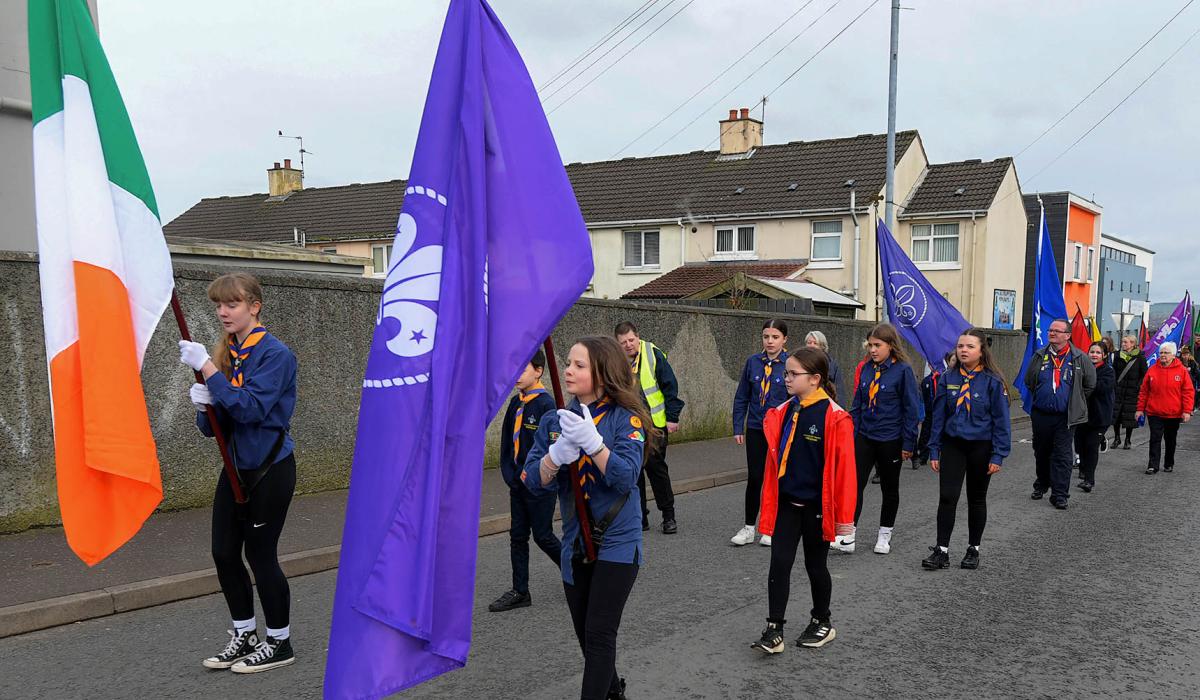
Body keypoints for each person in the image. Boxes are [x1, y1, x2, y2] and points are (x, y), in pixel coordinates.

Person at [522, 336, 653, 700]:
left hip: (617, 540)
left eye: (579, 365)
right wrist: (555, 456)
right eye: (568, 362)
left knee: (598, 634)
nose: (567, 370)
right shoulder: (554, 420)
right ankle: (614, 692)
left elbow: (626, 476)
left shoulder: (625, 418)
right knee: (586, 636)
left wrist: (594, 445)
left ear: (602, 372)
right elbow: (532, 481)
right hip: (575, 542)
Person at [181, 273, 299, 673]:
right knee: (224, 552)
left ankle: (279, 642)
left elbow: (250, 410)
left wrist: (210, 375)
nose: (222, 312)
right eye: (218, 305)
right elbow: (216, 429)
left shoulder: (276, 354)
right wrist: (204, 409)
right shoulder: (228, 353)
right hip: (234, 468)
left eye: (231, 304)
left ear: (254, 306)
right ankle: (244, 633)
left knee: (260, 556)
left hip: (270, 468)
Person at [750, 348, 856, 654]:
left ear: (815, 379)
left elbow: (846, 473)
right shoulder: (783, 411)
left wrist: (844, 520)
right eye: (786, 373)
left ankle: (822, 620)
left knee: (815, 565)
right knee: (779, 564)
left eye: (793, 374)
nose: (787, 379)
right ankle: (774, 629)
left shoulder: (836, 418)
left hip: (816, 509)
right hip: (787, 504)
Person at [921, 330, 1010, 570]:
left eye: (970, 346)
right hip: (953, 445)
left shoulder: (993, 381)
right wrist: (934, 450)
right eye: (960, 346)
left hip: (981, 447)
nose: (963, 350)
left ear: (981, 351)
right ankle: (942, 551)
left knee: (976, 498)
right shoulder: (948, 378)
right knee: (947, 497)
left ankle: (973, 549)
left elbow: (1001, 421)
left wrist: (998, 454)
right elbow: (938, 416)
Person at [489, 350, 562, 613]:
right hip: (517, 485)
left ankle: (577, 576)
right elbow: (508, 444)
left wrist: (534, 476)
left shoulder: (547, 406)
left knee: (543, 535)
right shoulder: (515, 404)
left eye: (523, 368)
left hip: (540, 485)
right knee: (517, 536)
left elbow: (552, 449)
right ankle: (521, 591)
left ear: (538, 371)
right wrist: (511, 475)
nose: (516, 374)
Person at [844, 323, 920, 555]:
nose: (873, 350)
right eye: (870, 345)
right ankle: (848, 534)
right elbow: (858, 404)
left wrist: (909, 443)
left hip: (890, 438)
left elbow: (911, 410)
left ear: (891, 345)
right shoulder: (866, 368)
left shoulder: (903, 371)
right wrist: (850, 433)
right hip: (865, 436)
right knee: (854, 486)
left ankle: (884, 534)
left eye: (878, 345)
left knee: (889, 488)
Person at [614, 321, 684, 534]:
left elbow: (670, 386)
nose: (628, 345)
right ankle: (640, 516)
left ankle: (668, 515)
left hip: (655, 424)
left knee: (656, 470)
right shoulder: (616, 361)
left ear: (638, 336)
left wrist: (672, 417)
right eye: (623, 342)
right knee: (634, 472)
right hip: (630, 424)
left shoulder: (653, 354)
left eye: (631, 340)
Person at [1025, 318, 1096, 509]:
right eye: (1050, 330)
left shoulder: (1079, 358)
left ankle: (1060, 494)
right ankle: (1042, 483)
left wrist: (1072, 401)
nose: (1052, 333)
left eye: (1057, 331)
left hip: (1066, 416)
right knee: (1042, 451)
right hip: (1041, 414)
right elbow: (1030, 381)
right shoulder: (1040, 356)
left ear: (1067, 335)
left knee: (1062, 455)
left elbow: (1089, 385)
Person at [731, 320, 791, 547]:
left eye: (775, 337)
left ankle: (772, 526)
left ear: (784, 339)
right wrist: (738, 426)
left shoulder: (790, 364)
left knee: (777, 478)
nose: (770, 341)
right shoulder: (753, 362)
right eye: (766, 337)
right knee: (755, 477)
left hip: (780, 430)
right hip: (756, 427)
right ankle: (748, 527)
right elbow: (742, 396)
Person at [1136, 342, 1195, 475]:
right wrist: (1140, 409)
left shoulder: (1182, 371)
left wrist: (1187, 411)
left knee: (1170, 440)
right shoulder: (1152, 370)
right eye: (1161, 352)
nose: (1163, 355)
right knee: (1155, 438)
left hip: (1173, 414)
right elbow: (1144, 391)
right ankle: (1153, 465)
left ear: (1173, 355)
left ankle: (1169, 463)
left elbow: (1188, 392)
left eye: (1166, 353)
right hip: (1154, 412)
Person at [1075, 342, 1115, 492]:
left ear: (1104, 355)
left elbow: (1102, 388)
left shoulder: (1108, 371)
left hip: (1099, 416)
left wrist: (1086, 382)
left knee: (1091, 446)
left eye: (1098, 352)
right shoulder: (1081, 368)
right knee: (1080, 445)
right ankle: (1083, 468)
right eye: (1092, 352)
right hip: (1081, 415)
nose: (1094, 355)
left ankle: (1089, 480)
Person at [915, 354, 953, 469]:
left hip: (941, 412)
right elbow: (923, 398)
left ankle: (942, 454)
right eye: (931, 365)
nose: (933, 367)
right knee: (925, 434)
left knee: (941, 433)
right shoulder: (926, 381)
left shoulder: (944, 378)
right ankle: (923, 455)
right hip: (929, 412)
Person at [1110, 334, 1147, 450]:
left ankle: (1127, 439)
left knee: (1130, 417)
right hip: (1118, 391)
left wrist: (1138, 386)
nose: (1123, 344)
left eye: (1125, 342)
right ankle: (1116, 438)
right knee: (1116, 416)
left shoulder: (1140, 358)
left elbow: (1144, 374)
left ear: (1132, 343)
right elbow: (1113, 372)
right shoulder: (1117, 356)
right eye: (1122, 342)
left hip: (1132, 392)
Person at [804, 330, 842, 399]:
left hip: (825, 402)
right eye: (809, 343)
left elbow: (839, 389)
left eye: (815, 343)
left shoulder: (832, 364)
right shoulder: (800, 362)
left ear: (822, 346)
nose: (811, 345)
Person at [1179, 345, 1200, 411]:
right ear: (1181, 355)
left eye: (1186, 354)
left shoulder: (1192, 362)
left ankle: (1191, 409)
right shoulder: (1179, 363)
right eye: (1184, 355)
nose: (1185, 356)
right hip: (1181, 383)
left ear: (1189, 355)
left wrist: (1199, 386)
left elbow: (1198, 374)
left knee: (1191, 396)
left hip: (1191, 382)